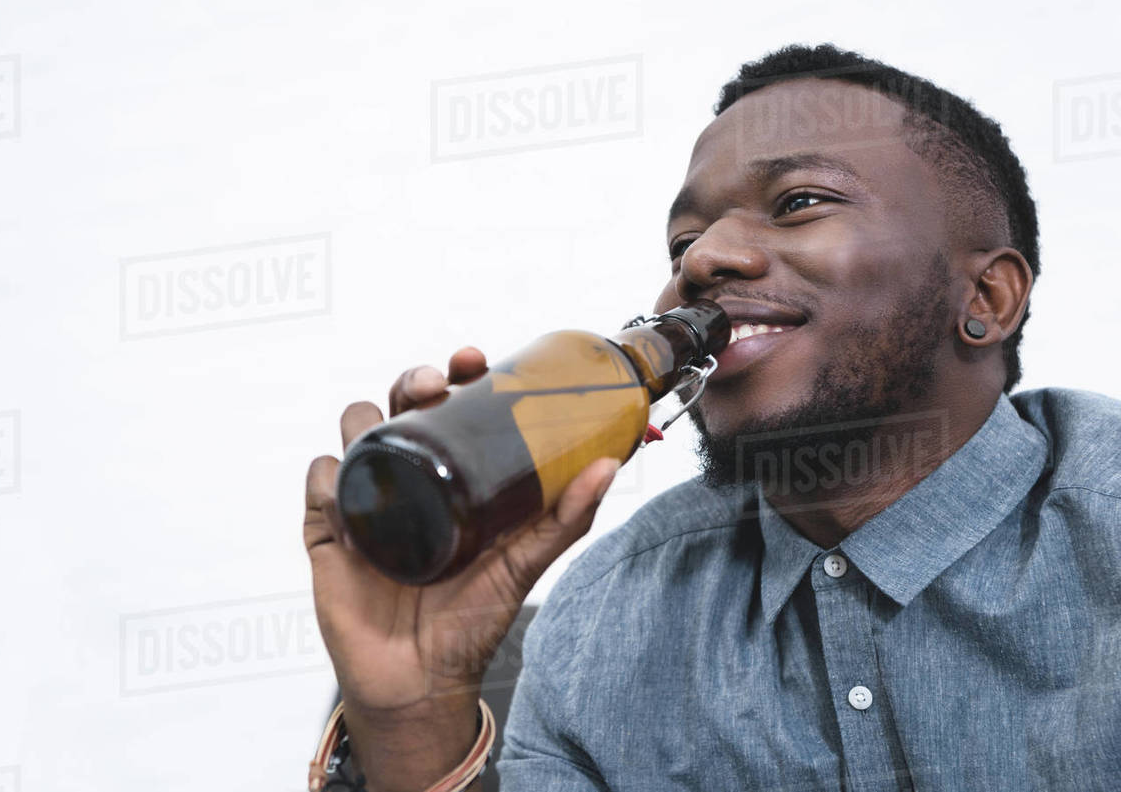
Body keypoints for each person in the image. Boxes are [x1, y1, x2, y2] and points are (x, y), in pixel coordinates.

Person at [302, 43, 1121, 791]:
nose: (701, 260)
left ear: (986, 297)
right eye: (680, 243)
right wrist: (413, 729)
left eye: (799, 201)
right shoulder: (601, 626)